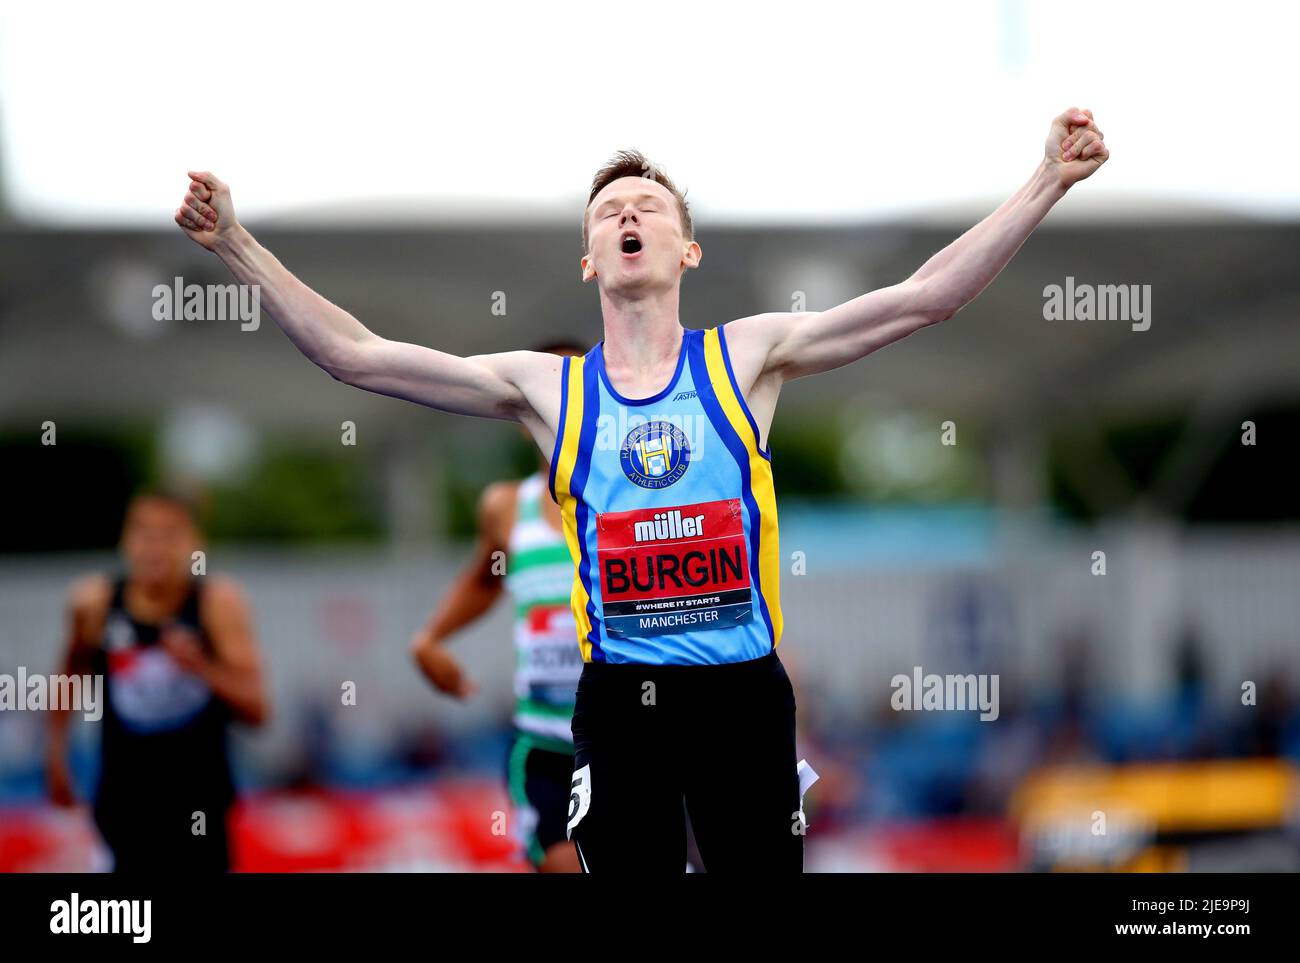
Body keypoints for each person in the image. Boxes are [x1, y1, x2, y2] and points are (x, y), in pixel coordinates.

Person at [173, 108, 1108, 871]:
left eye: (650, 206)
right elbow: (359, 358)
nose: (628, 215)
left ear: (687, 251)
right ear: (590, 258)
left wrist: (1046, 183)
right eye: (609, 209)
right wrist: (237, 244)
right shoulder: (548, 388)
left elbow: (923, 297)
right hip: (624, 700)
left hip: (742, 699)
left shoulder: (749, 357)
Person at [410, 340, 586, 873]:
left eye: (571, 392)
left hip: (627, 735)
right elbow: (485, 580)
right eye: (543, 396)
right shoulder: (507, 507)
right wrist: (429, 639)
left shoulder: (634, 497)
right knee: (562, 865)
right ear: (522, 412)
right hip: (545, 743)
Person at [48, 489, 269, 872]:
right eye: (144, 533)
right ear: (125, 540)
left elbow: (258, 710)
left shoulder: (217, 605)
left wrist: (201, 666)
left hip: (200, 812)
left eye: (169, 535)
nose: (155, 548)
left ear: (194, 544)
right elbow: (70, 674)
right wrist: (55, 755)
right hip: (124, 808)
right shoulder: (95, 603)